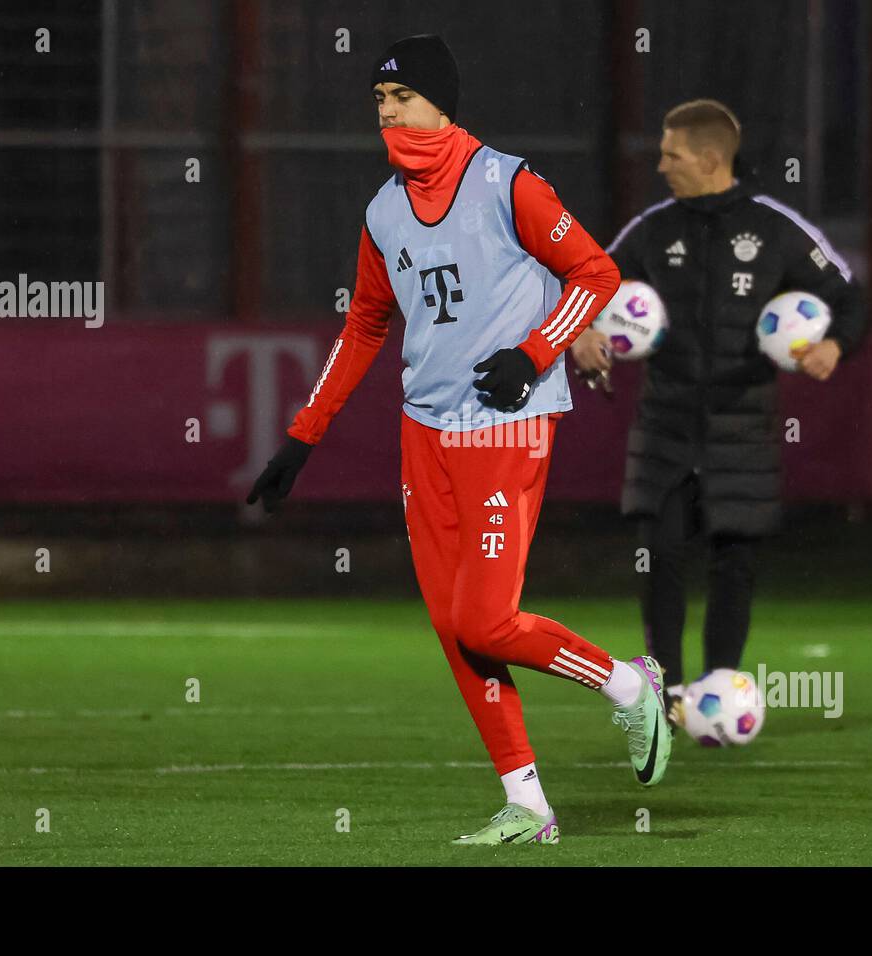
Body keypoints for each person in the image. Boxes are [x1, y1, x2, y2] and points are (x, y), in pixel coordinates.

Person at [246, 35, 671, 845]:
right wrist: (303, 437)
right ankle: (528, 804)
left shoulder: (507, 183)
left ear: (443, 103)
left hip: (506, 426)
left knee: (486, 620)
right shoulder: (381, 211)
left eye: (401, 97)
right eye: (379, 101)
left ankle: (627, 685)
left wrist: (533, 354)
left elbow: (596, 275)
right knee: (454, 628)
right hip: (426, 433)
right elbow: (364, 326)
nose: (388, 113)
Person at [571, 99, 865, 725]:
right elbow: (589, 282)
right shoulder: (654, 229)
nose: (660, 165)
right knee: (662, 554)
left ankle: (719, 693)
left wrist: (835, 344)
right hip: (668, 422)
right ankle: (666, 693)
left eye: (671, 154)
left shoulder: (777, 230)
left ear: (709, 158)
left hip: (744, 422)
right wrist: (585, 333)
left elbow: (848, 295)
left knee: (735, 559)